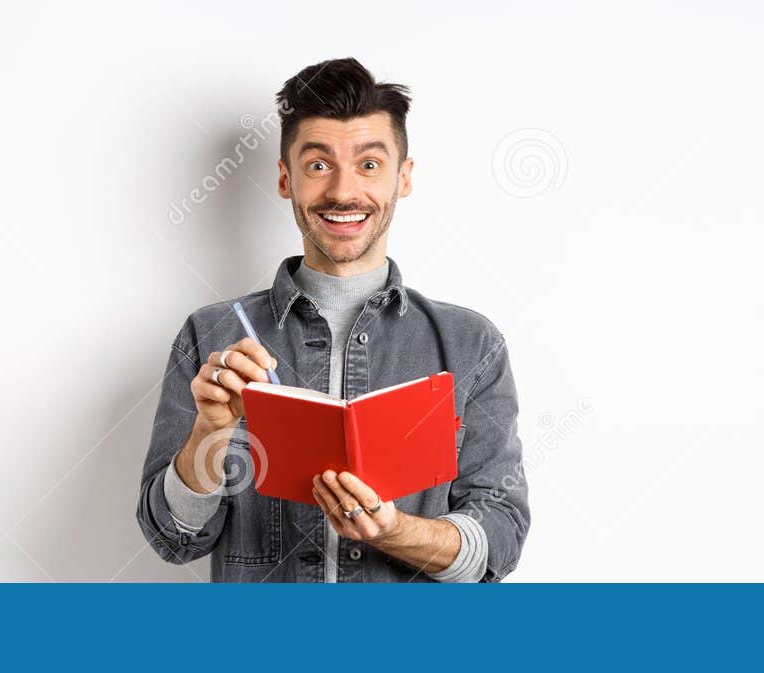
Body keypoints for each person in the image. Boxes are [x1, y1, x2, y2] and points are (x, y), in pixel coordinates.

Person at [135, 58, 529, 582]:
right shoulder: (210, 337)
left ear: (403, 178)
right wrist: (209, 431)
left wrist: (396, 533)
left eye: (369, 164)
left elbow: (499, 539)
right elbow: (173, 539)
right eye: (319, 165)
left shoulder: (470, 345)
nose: (344, 192)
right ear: (285, 178)